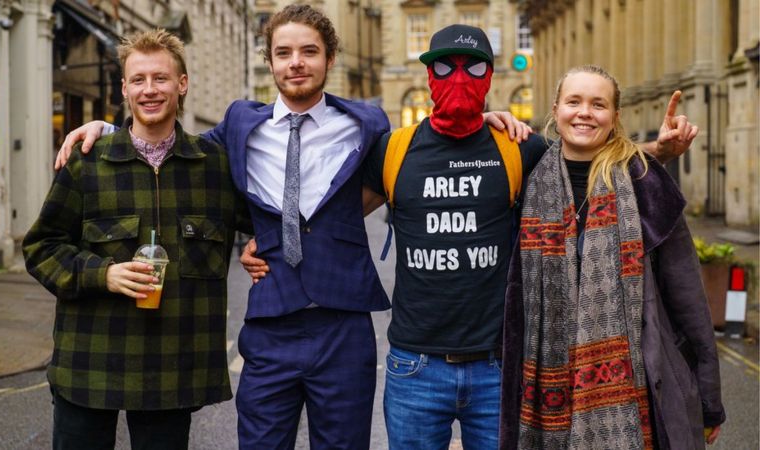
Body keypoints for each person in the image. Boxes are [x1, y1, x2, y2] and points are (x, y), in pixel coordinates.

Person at [52, 7, 528, 449]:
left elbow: (431, 142)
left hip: (344, 325)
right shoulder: (240, 123)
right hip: (270, 323)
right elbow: (174, 143)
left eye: (309, 52)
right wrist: (108, 127)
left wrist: (482, 121)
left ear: (329, 58)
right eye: (284, 53)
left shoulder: (366, 123)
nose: (296, 63)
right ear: (271, 61)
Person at [242, 25, 699, 450]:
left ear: (490, 74)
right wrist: (264, 238)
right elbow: (328, 214)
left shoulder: (519, 147)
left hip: (496, 365)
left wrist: (659, 151)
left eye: (473, 66)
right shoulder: (393, 149)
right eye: (445, 66)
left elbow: (586, 161)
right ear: (428, 75)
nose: (458, 77)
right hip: (414, 366)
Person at [23, 29, 250, 449]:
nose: (150, 90)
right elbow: (42, 248)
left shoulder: (215, 166)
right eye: (139, 80)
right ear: (124, 88)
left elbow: (266, 223)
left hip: (171, 370)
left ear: (181, 84)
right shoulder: (88, 163)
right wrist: (102, 275)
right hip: (89, 363)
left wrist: (257, 243)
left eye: (161, 78)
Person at [499, 65, 725, 450]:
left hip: (639, 390)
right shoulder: (529, 180)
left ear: (615, 117)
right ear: (555, 110)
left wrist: (708, 400)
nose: (585, 112)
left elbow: (687, 296)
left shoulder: (644, 182)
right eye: (574, 101)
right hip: (548, 391)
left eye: (598, 104)